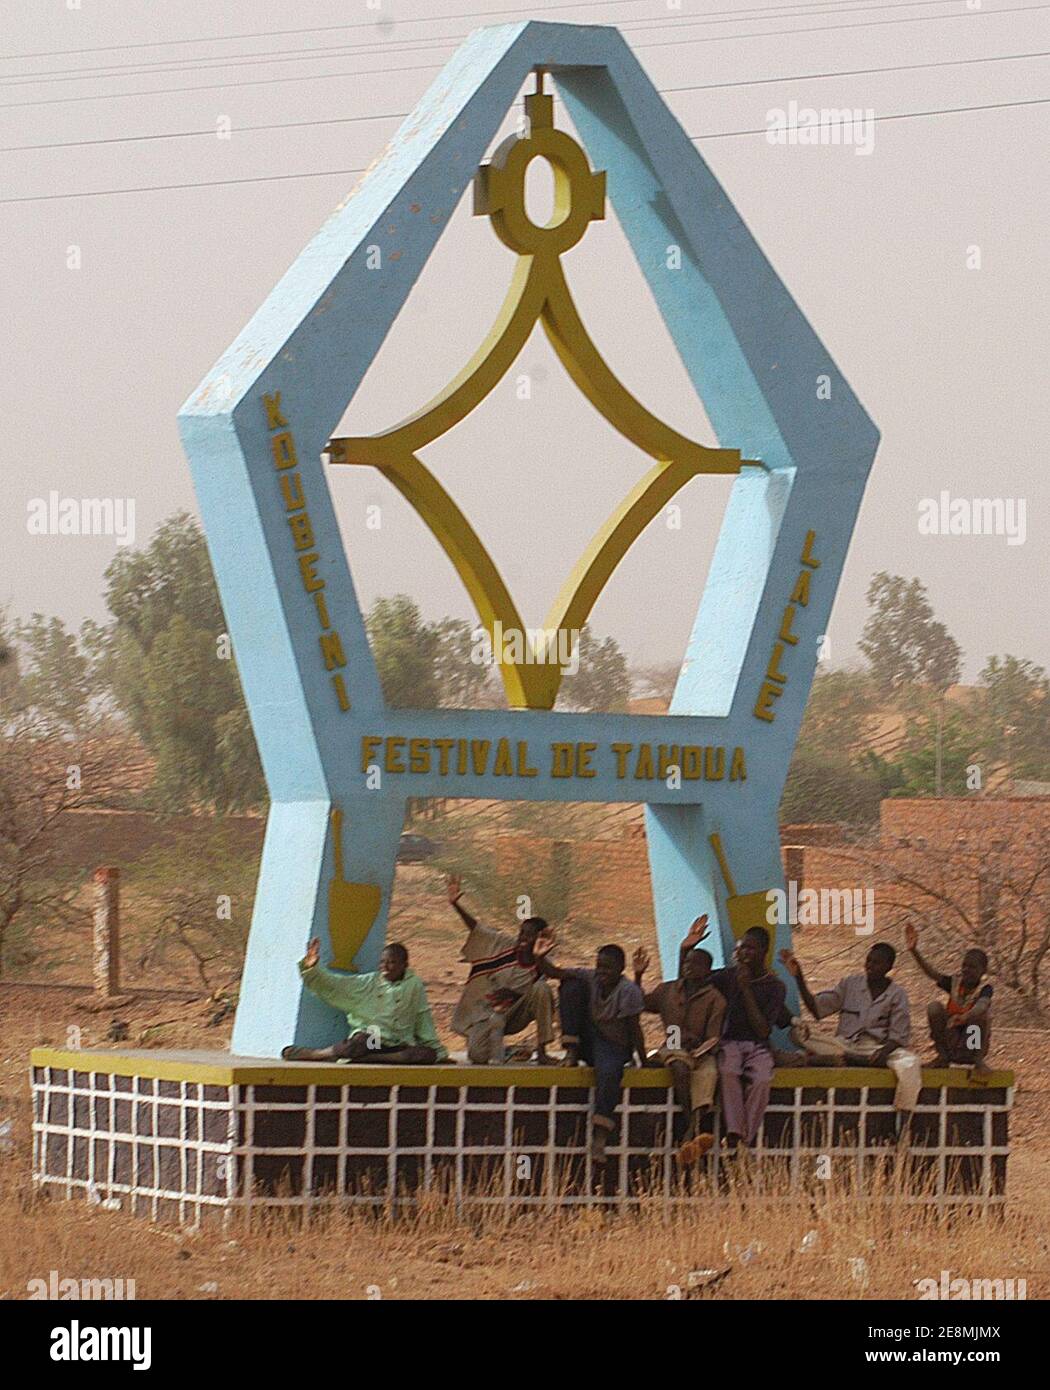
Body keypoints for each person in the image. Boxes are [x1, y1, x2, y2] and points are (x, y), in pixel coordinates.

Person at [780, 942, 922, 1120]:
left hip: (875, 1049)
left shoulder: (897, 995)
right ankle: (849, 1058)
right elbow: (817, 1009)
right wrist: (799, 977)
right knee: (797, 1033)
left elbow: (898, 1036)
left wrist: (883, 1053)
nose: (870, 966)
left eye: (876, 963)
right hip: (843, 1045)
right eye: (868, 961)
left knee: (910, 1063)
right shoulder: (850, 984)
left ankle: (903, 1121)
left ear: (889, 967)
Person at [534, 939, 647, 1163]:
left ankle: (600, 1136)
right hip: (590, 1039)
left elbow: (635, 1030)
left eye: (608, 968)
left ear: (620, 969)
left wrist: (643, 1060)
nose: (602, 972)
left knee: (609, 1074)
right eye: (599, 966)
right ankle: (571, 1052)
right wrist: (540, 957)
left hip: (614, 1045)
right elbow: (557, 973)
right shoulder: (591, 978)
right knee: (570, 985)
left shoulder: (628, 991)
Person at [633, 915, 726, 1164]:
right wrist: (639, 976)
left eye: (695, 964)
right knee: (679, 1066)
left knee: (709, 1075)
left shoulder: (715, 999)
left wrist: (700, 1050)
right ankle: (691, 1126)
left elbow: (714, 1037)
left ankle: (697, 1130)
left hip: (700, 1050)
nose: (687, 967)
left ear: (707, 971)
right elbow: (639, 1003)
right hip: (673, 1045)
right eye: (686, 962)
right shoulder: (668, 989)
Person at [282, 938, 446, 1063]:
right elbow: (336, 984)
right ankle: (315, 1054)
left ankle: (370, 1059)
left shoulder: (414, 985)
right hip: (373, 1040)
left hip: (399, 1045)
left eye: (392, 962)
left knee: (427, 1054)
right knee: (358, 1043)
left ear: (404, 965)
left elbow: (422, 1016)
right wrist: (312, 968)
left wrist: (438, 1050)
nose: (385, 966)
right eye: (382, 962)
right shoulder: (370, 982)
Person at [447, 874, 555, 1064]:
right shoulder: (504, 944)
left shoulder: (542, 961)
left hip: (514, 1014)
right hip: (487, 1012)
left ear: (540, 938)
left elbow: (548, 986)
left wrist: (514, 994)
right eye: (521, 933)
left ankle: (542, 1051)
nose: (522, 939)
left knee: (542, 989)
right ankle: (510, 1052)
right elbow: (477, 929)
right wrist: (456, 904)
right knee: (477, 1056)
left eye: (529, 936)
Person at [707, 925, 787, 1151]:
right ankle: (734, 1132)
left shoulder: (774, 987)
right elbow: (693, 981)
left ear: (764, 951)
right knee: (728, 1071)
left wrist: (745, 989)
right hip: (729, 1042)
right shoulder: (727, 976)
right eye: (741, 948)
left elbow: (762, 1030)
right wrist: (686, 949)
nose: (744, 953)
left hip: (758, 1046)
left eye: (750, 949)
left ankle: (745, 1138)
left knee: (762, 1079)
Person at [905, 922, 993, 1077]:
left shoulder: (985, 988)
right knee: (934, 1007)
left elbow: (982, 1005)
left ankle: (978, 1061)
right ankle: (942, 1057)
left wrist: (965, 1017)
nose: (966, 970)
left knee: (980, 1016)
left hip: (971, 1044)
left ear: (983, 970)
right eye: (964, 966)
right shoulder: (955, 983)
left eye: (972, 967)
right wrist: (914, 951)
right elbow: (933, 974)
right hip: (951, 1040)